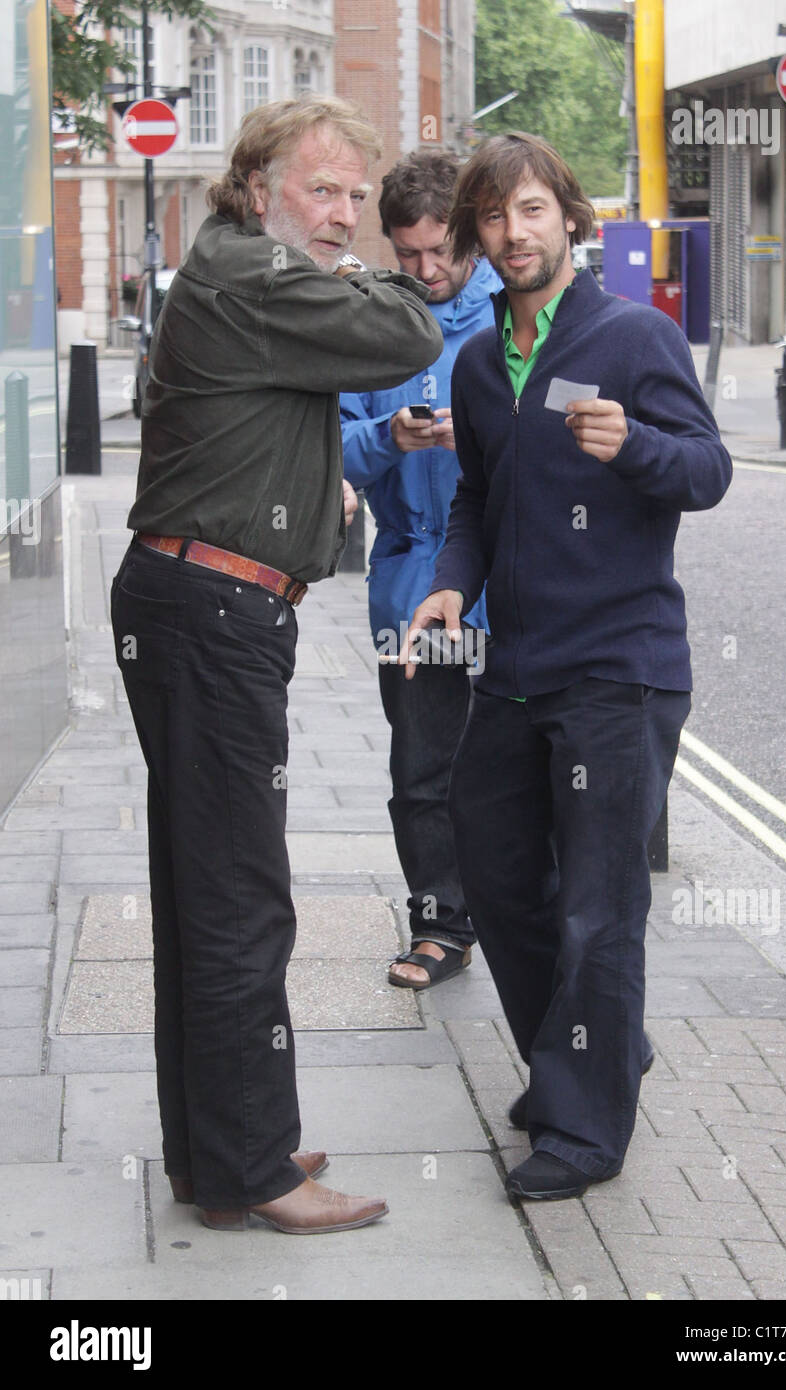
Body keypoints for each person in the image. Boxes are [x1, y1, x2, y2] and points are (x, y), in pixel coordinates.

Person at [111, 96, 443, 1235]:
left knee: (206, 890)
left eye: (357, 194)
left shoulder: (242, 271)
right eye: (324, 190)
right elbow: (409, 329)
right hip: (213, 613)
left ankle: (220, 1148)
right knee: (243, 900)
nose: (345, 215)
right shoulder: (256, 273)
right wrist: (374, 275)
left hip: (194, 601)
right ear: (258, 188)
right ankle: (257, 1169)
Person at [401, 132, 732, 1201]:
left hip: (619, 666)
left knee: (598, 907)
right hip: (515, 664)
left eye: (532, 211)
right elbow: (478, 500)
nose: (514, 234)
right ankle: (589, 1050)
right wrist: (451, 581)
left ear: (570, 219)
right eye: (494, 217)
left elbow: (709, 471)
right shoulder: (477, 357)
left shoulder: (632, 335)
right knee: (496, 871)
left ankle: (585, 1129)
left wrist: (632, 444)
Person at [340, 150, 501, 991]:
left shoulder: (514, 317)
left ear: (468, 235)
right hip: (414, 589)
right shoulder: (371, 324)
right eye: (407, 254)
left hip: (508, 590)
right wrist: (385, 439)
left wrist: (476, 439)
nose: (427, 271)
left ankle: (507, 916)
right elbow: (326, 443)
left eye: (441, 251)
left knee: (513, 765)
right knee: (424, 765)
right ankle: (439, 925)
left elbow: (569, 441)